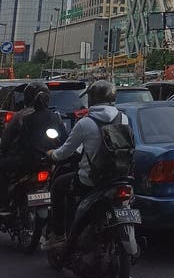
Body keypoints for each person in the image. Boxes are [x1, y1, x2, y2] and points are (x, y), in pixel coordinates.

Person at [46, 80, 129, 246]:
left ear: (92, 99)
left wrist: (53, 155)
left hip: (91, 180)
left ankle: (59, 234)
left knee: (58, 185)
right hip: (118, 177)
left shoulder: (85, 123)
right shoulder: (123, 118)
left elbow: (65, 152)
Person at [0, 81, 66, 212]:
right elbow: (64, 140)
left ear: (27, 97)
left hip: (28, 161)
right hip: (49, 161)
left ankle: (3, 204)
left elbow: (8, 141)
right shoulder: (55, 116)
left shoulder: (21, 116)